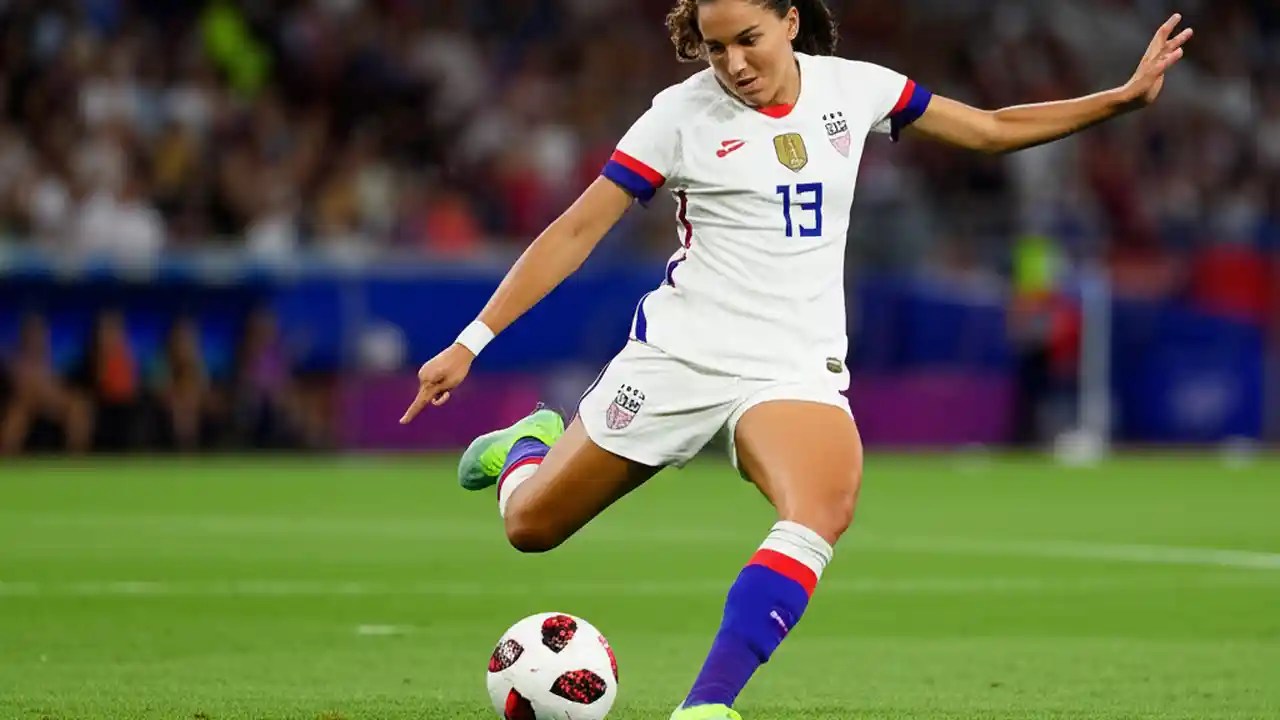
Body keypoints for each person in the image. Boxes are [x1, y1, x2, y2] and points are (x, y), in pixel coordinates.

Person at [400, 2, 1193, 717]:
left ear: (789, 20)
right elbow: (575, 230)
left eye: (748, 40)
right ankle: (526, 447)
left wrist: (1118, 100)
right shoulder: (676, 118)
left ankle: (707, 706)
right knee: (529, 528)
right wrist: (472, 340)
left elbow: (987, 130)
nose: (734, 63)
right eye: (714, 48)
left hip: (791, 368)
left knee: (822, 506)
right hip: (679, 359)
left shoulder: (855, 89)